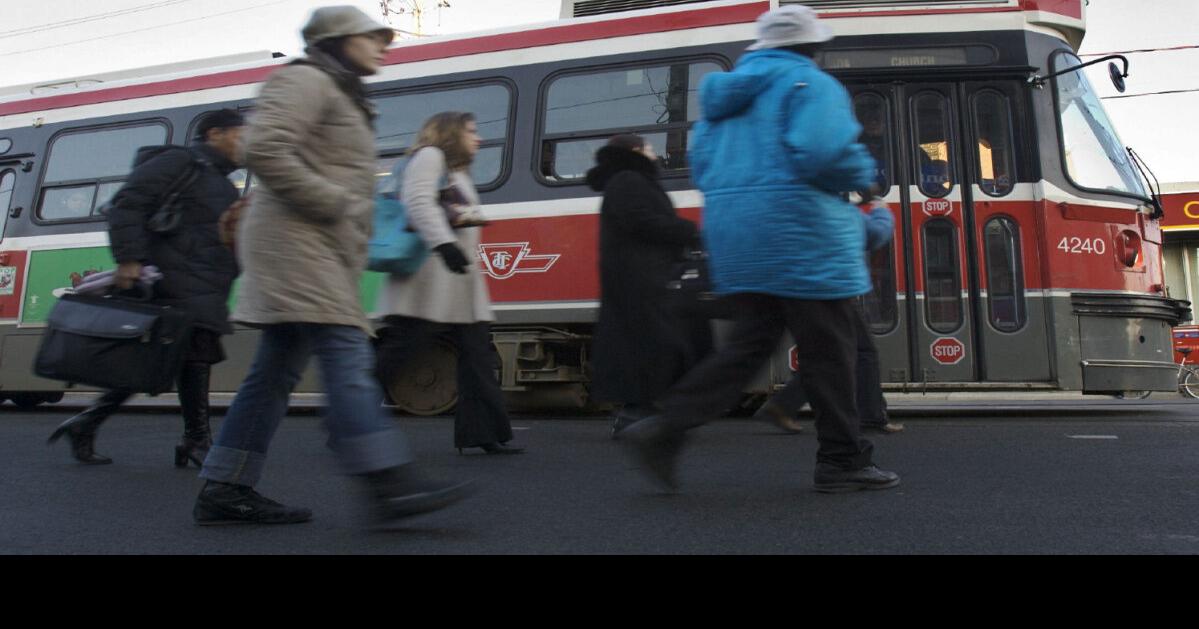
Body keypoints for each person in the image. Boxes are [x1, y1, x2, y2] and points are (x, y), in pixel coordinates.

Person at [192, 6, 473, 527]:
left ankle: (225, 485)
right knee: (346, 352)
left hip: (315, 244)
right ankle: (385, 479)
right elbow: (265, 148)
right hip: (300, 243)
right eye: (373, 37)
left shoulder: (341, 91)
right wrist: (338, 204)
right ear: (339, 40)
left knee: (274, 371)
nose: (384, 46)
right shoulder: (304, 79)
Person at [618, 4, 901, 494]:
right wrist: (866, 183)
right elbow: (824, 152)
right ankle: (843, 460)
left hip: (738, 238)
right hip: (803, 236)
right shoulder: (812, 85)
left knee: (747, 346)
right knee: (831, 352)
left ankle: (664, 429)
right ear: (811, 47)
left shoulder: (721, 100)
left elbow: (704, 169)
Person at [47, 109, 245, 467]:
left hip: (203, 285)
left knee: (166, 358)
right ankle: (197, 440)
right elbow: (128, 203)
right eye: (241, 135)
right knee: (189, 356)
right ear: (215, 133)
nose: (247, 144)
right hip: (172, 280)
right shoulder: (180, 162)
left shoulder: (221, 181)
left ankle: (89, 422)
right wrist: (129, 259)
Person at [375, 112, 523, 455]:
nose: (479, 138)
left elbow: (445, 209)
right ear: (451, 133)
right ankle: (347, 418)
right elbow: (417, 203)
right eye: (471, 131)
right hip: (427, 279)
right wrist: (445, 244)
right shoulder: (430, 157)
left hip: (456, 283)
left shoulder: (455, 170)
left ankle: (484, 433)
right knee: (400, 352)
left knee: (477, 357)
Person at [585, 134, 710, 437]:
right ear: (635, 151)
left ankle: (642, 412)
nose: (655, 153)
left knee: (649, 346)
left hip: (640, 277)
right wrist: (686, 230)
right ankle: (637, 414)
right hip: (641, 279)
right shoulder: (629, 179)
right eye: (650, 147)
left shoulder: (624, 180)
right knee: (655, 345)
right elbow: (641, 220)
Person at [755, 197, 905, 435]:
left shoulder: (795, 205)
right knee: (861, 351)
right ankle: (870, 416)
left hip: (803, 288)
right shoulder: (834, 206)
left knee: (826, 353)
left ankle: (784, 404)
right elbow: (875, 234)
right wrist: (882, 212)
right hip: (835, 288)